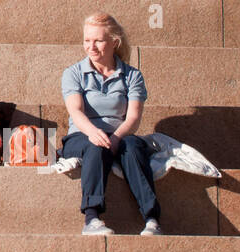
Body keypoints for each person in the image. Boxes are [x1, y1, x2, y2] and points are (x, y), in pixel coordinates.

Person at [60, 12, 163, 236]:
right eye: (87, 40)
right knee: (96, 147)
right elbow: (75, 111)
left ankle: (152, 219)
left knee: (134, 148)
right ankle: (92, 217)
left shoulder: (132, 76)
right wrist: (94, 133)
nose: (91, 47)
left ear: (114, 42)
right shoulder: (73, 73)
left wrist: (116, 138)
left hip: (120, 134)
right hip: (82, 135)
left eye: (98, 40)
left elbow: (133, 117)